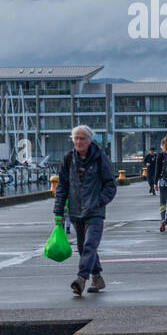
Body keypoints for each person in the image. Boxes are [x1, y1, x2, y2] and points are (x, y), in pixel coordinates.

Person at [53, 125, 117, 296]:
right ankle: (97, 278)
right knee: (83, 248)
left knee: (90, 244)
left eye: (82, 138)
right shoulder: (68, 159)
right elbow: (62, 187)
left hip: (94, 211)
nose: (79, 141)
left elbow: (111, 185)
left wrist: (99, 202)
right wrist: (58, 212)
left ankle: (81, 279)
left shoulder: (99, 158)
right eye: (76, 138)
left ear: (89, 140)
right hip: (75, 211)